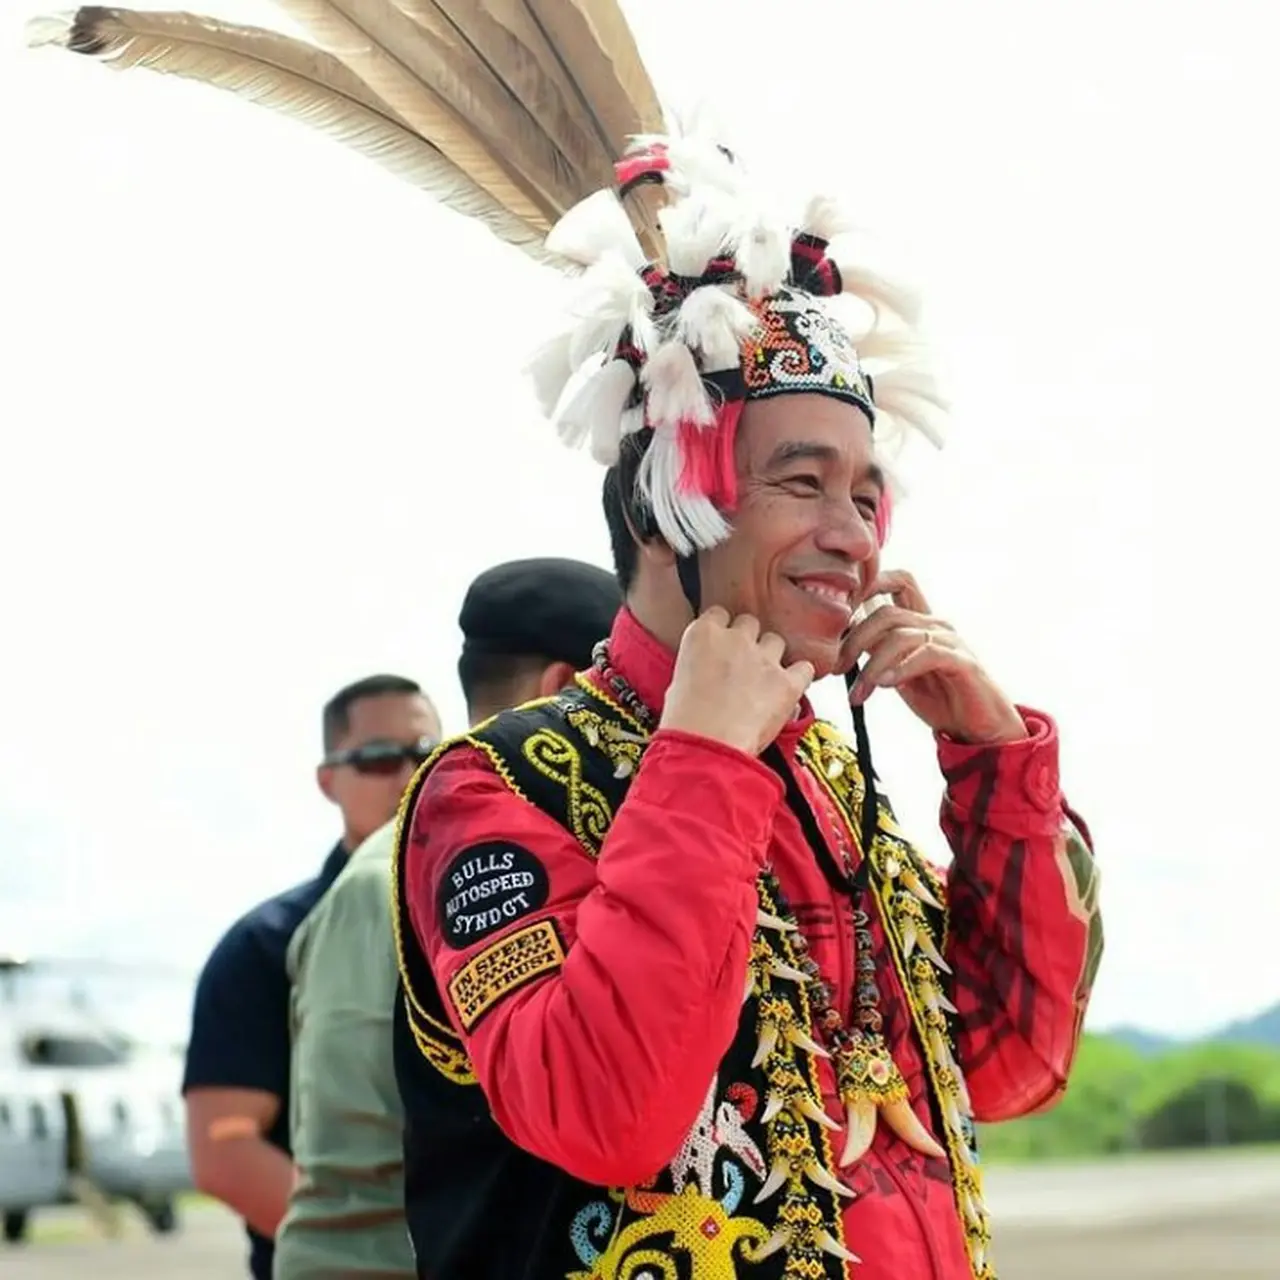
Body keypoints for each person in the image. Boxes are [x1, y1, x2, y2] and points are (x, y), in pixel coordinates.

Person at [389, 132, 1104, 1280]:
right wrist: (704, 759)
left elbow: (1007, 1059)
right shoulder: (497, 785)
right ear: (668, 509)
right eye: (802, 481)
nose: (852, 534)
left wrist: (992, 765)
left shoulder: (827, 778)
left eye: (868, 494)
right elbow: (606, 1111)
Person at [275, 558, 622, 1280]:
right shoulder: (394, 873)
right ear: (564, 691)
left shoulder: (582, 853)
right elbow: (353, 1173)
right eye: (633, 696)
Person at [182, 674, 440, 1280]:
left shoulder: (476, 912)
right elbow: (224, 1149)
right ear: (329, 781)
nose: (407, 776)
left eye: (426, 753)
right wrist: (378, 1244)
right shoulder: (262, 949)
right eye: (378, 759)